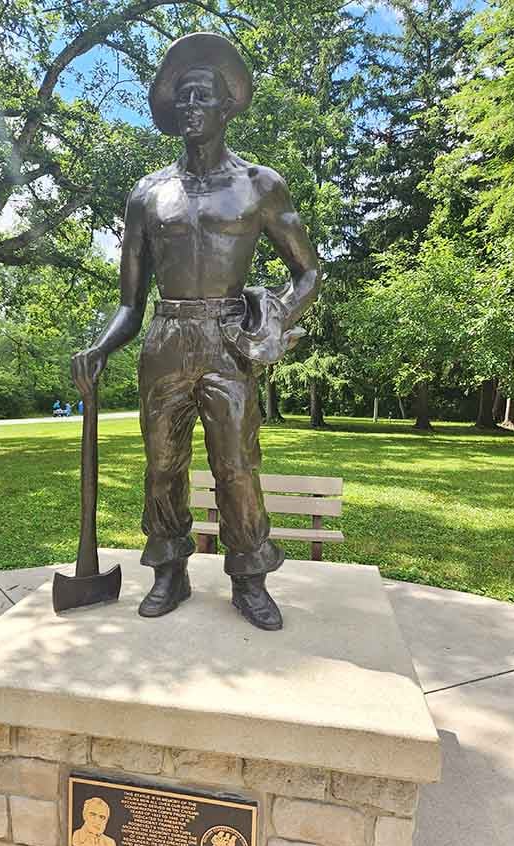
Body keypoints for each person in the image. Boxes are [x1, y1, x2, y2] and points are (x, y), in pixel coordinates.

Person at [72, 33, 320, 631]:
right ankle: (168, 568)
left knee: (236, 464)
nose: (189, 106)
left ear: (227, 104)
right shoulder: (147, 195)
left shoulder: (260, 186)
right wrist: (102, 345)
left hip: (227, 341)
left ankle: (250, 575)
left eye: (201, 96)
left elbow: (308, 272)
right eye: (181, 97)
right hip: (166, 337)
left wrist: (272, 319)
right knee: (162, 464)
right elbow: (129, 303)